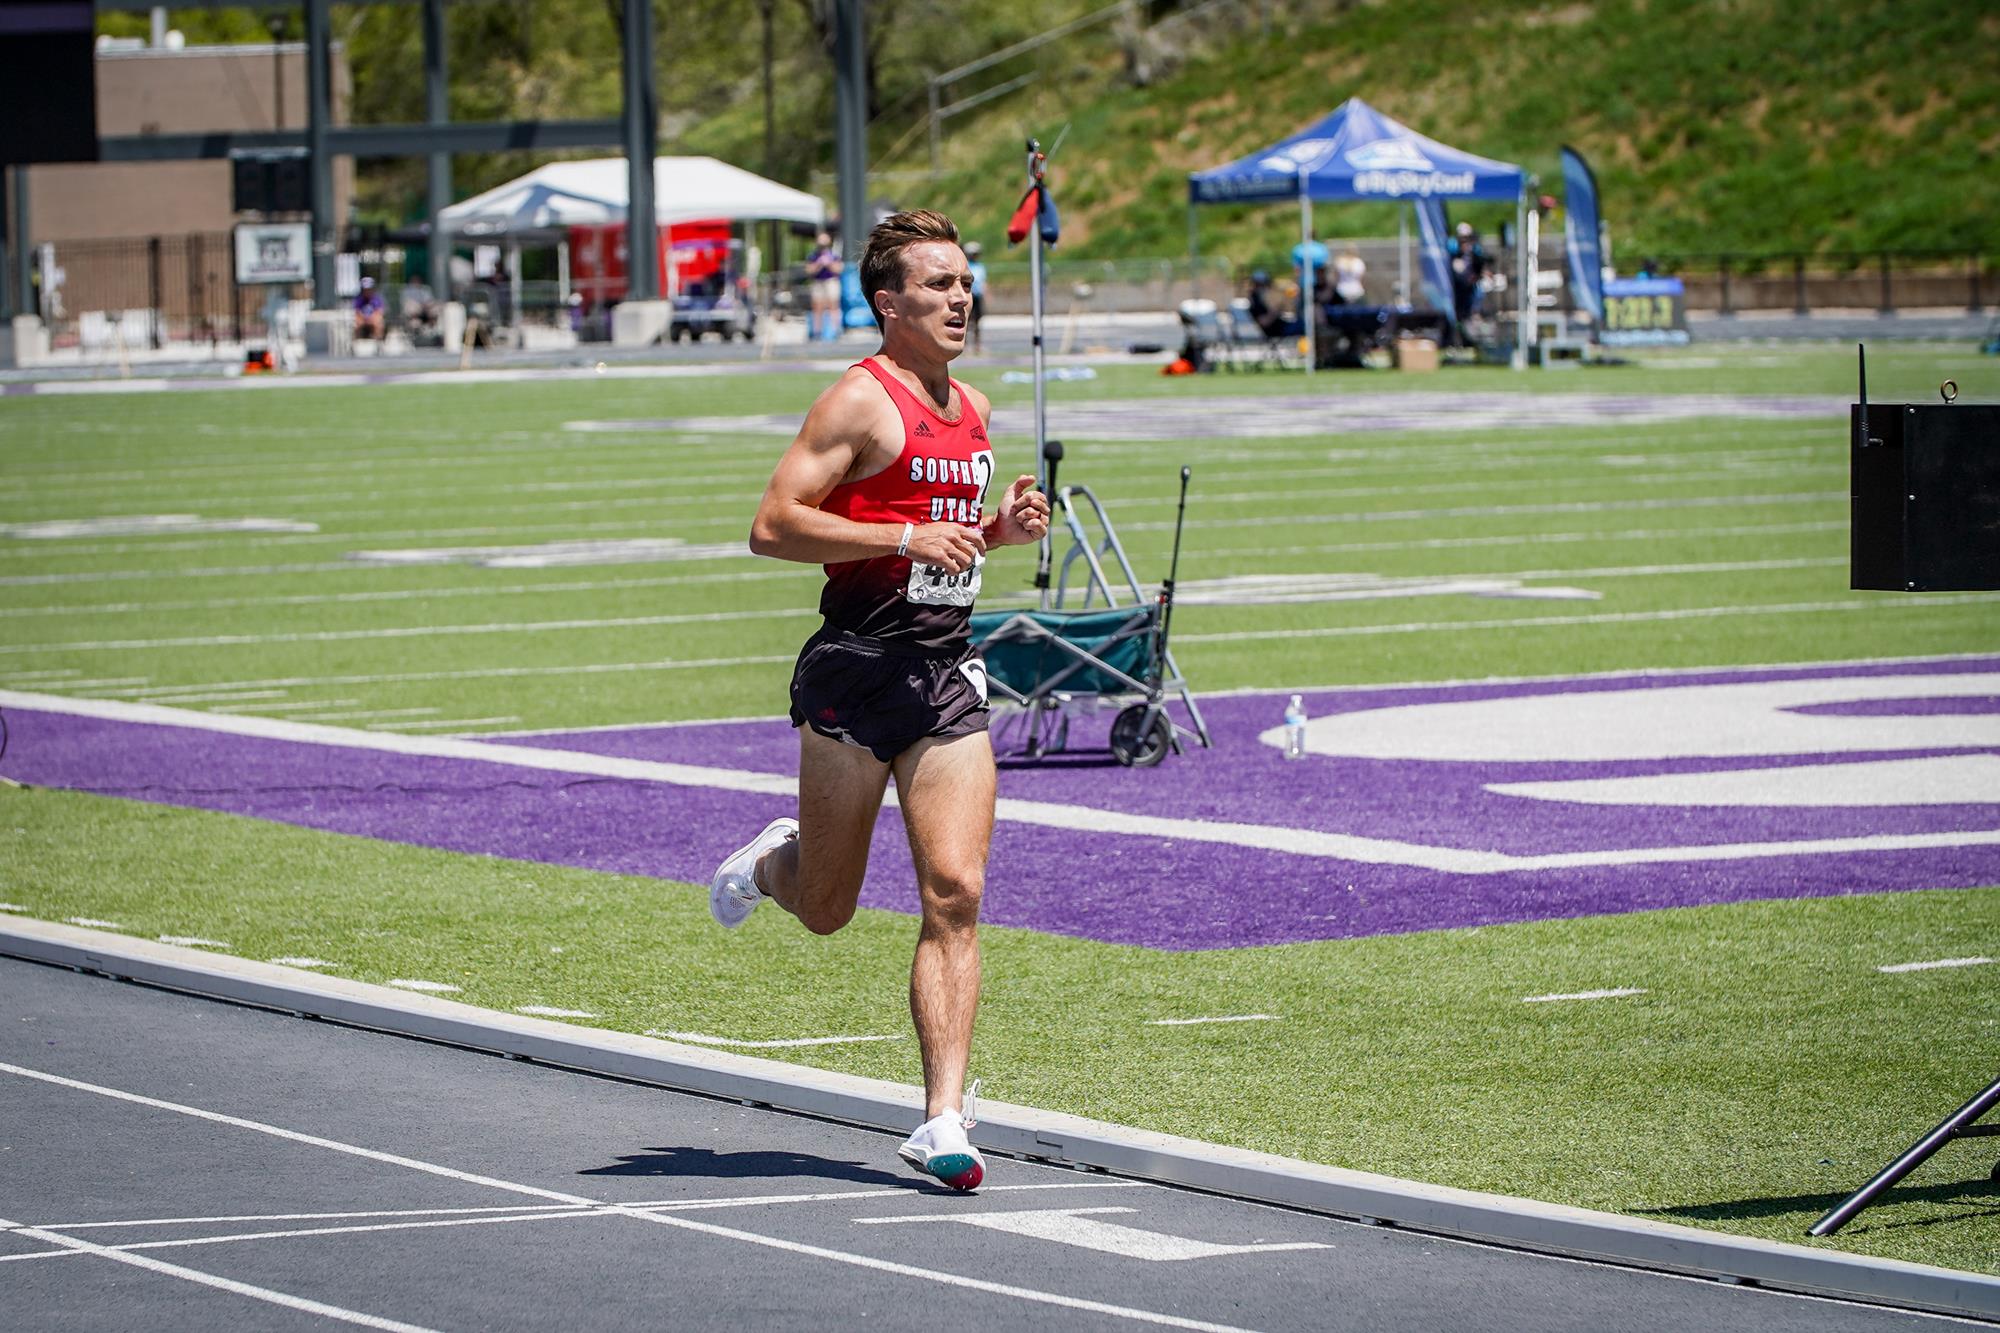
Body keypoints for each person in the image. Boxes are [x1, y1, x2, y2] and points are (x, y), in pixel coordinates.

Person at [712, 209, 1051, 1191]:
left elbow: (946, 546)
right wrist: (902, 539)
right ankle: (773, 861)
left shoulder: (973, 405)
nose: (958, 298)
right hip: (855, 669)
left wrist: (995, 533)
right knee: (826, 907)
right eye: (936, 285)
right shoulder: (857, 403)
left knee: (957, 888)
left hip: (944, 672)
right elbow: (772, 524)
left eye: (962, 282)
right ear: (886, 302)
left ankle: (942, 1116)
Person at [1449, 222, 1490, 329]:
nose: (1466, 243)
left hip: (1471, 283)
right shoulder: (1453, 251)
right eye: (1463, 240)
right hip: (1459, 285)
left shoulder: (1474, 250)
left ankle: (1475, 314)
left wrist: (1481, 273)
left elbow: (1479, 265)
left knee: (1479, 290)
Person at [807, 231, 843, 342]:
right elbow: (809, 270)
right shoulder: (813, 256)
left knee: (834, 306)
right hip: (818, 282)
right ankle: (817, 332)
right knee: (817, 307)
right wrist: (818, 264)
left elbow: (839, 269)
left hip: (831, 281)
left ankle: (836, 330)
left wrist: (829, 264)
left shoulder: (834, 255)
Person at [962, 240, 988, 354]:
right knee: (966, 320)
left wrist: (986, 294)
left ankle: (977, 345)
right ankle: (965, 344)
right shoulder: (965, 265)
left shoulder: (980, 266)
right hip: (969, 295)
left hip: (978, 296)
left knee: (977, 322)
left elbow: (983, 282)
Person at [352, 277, 386, 341]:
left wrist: (371, 318)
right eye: (365, 289)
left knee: (379, 322)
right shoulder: (359, 299)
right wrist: (364, 318)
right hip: (362, 319)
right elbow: (357, 311)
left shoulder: (377, 299)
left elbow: (379, 311)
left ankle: (378, 343)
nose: (367, 291)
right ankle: (356, 343)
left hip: (373, 319)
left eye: (369, 289)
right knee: (356, 324)